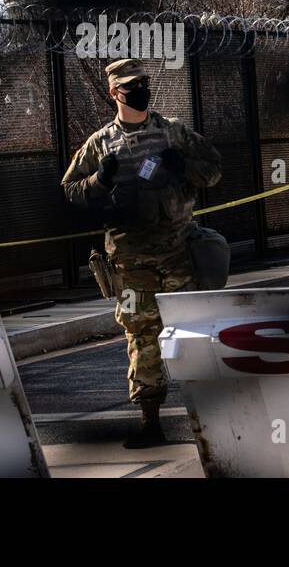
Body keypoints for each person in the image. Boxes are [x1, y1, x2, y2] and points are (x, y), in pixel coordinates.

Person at [61, 58, 222, 448]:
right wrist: (100, 180)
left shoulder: (172, 132)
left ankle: (216, 417)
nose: (140, 91)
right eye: (131, 86)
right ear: (115, 93)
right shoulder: (100, 143)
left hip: (178, 251)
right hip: (132, 261)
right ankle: (150, 420)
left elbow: (214, 170)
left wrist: (183, 166)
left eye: (143, 83)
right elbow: (70, 190)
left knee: (193, 331)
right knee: (142, 335)